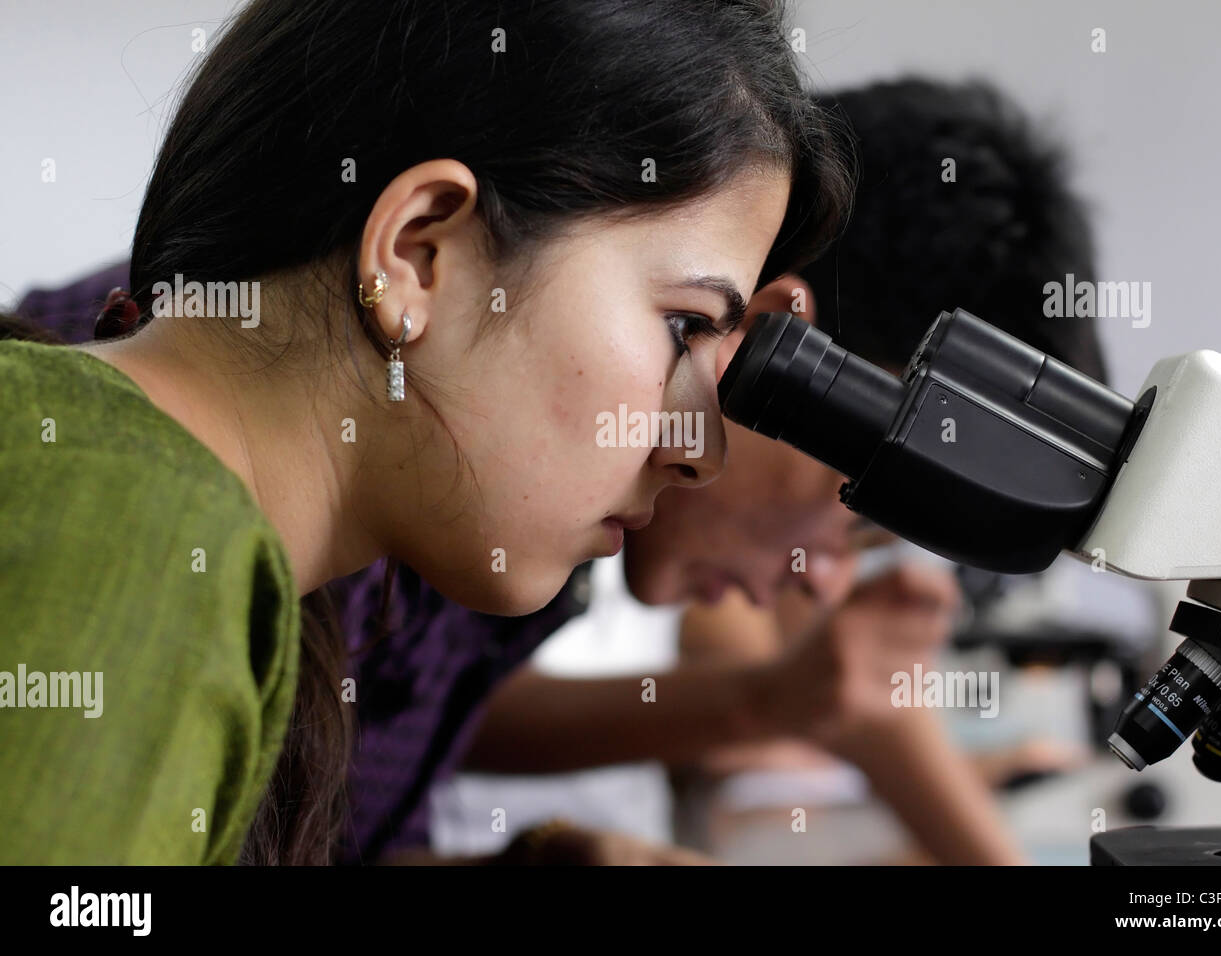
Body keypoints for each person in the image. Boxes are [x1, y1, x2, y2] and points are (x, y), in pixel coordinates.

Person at [0, 0, 854, 864]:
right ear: (417, 256)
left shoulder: (210, 558)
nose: (700, 454)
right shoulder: (142, 535)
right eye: (683, 326)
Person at [437, 78, 1110, 865]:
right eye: (859, 520)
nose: (820, 582)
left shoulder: (603, 534)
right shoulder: (485, 507)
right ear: (777, 350)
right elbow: (454, 719)